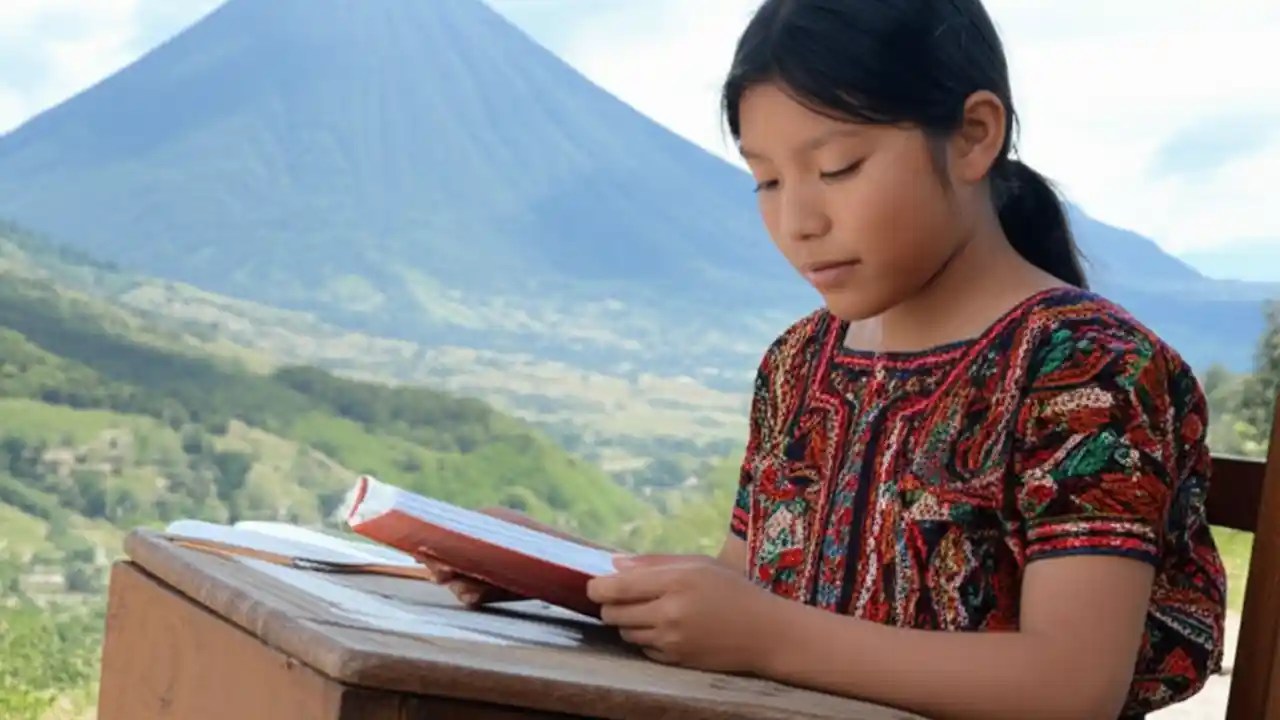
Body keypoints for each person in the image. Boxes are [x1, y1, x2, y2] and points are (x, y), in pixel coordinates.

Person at [419, 0, 1227, 718]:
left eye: (837, 169)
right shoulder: (799, 364)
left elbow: (1069, 685)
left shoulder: (1086, 370)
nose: (797, 220)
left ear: (975, 136)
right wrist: (564, 572)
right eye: (766, 181)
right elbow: (746, 599)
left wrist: (768, 639)